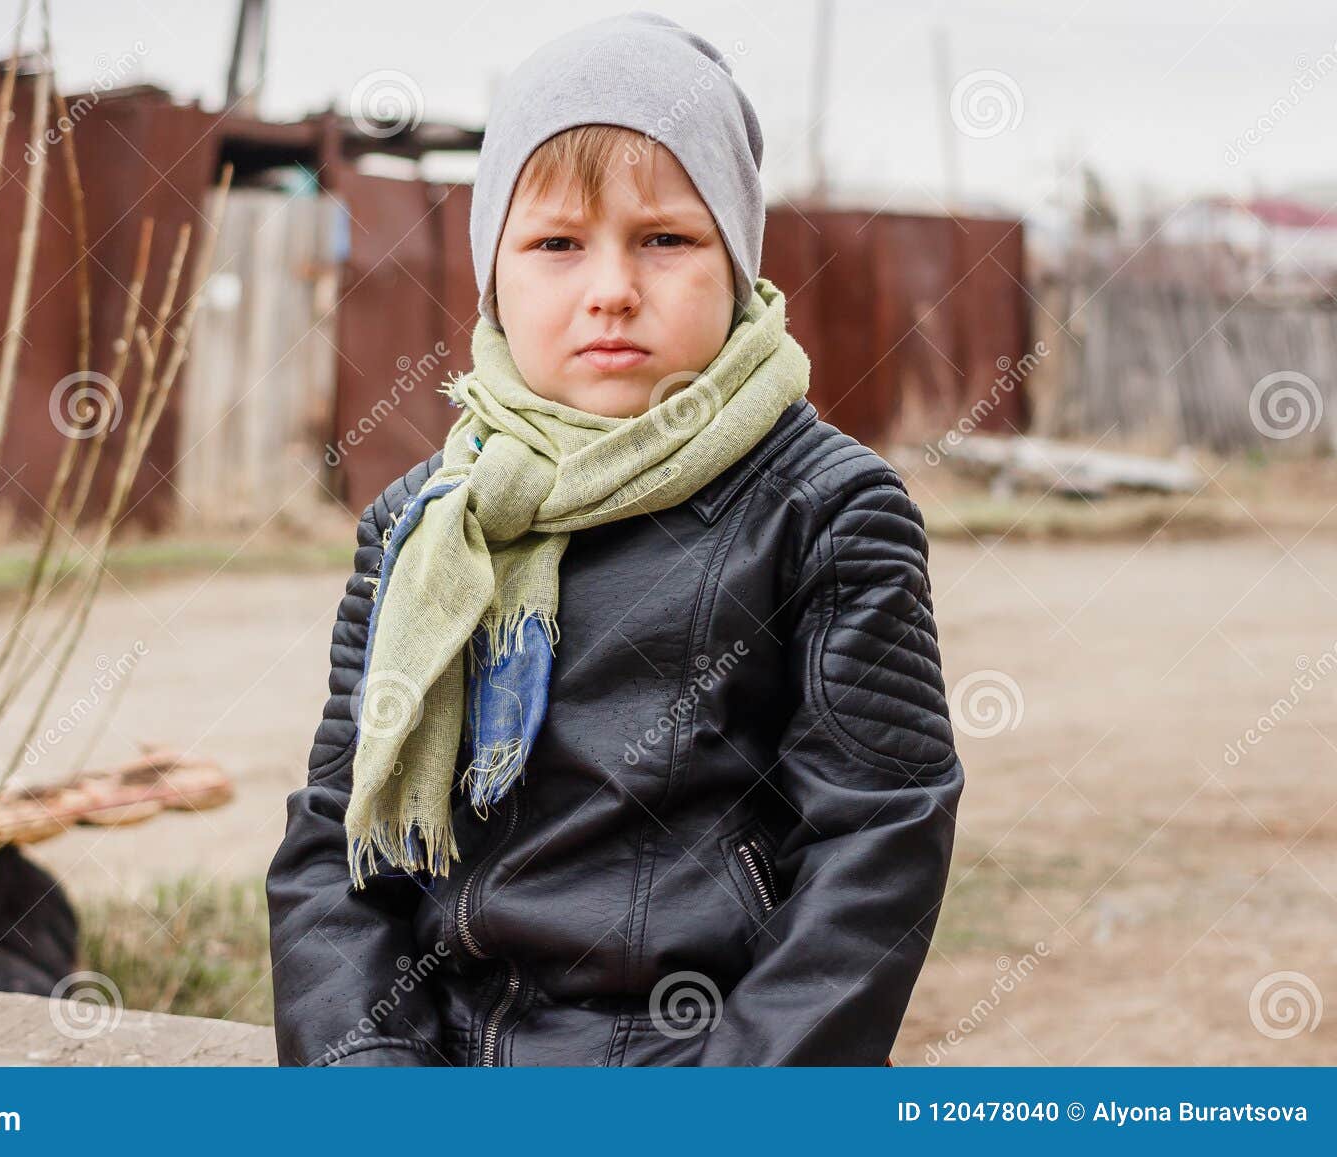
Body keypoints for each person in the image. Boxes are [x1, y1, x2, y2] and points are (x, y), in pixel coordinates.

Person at [266, 10, 964, 1067]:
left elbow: (875, 849)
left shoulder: (824, 511)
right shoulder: (425, 520)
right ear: (492, 273)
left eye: (665, 239)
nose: (610, 290)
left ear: (733, 260)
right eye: (554, 243)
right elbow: (335, 844)